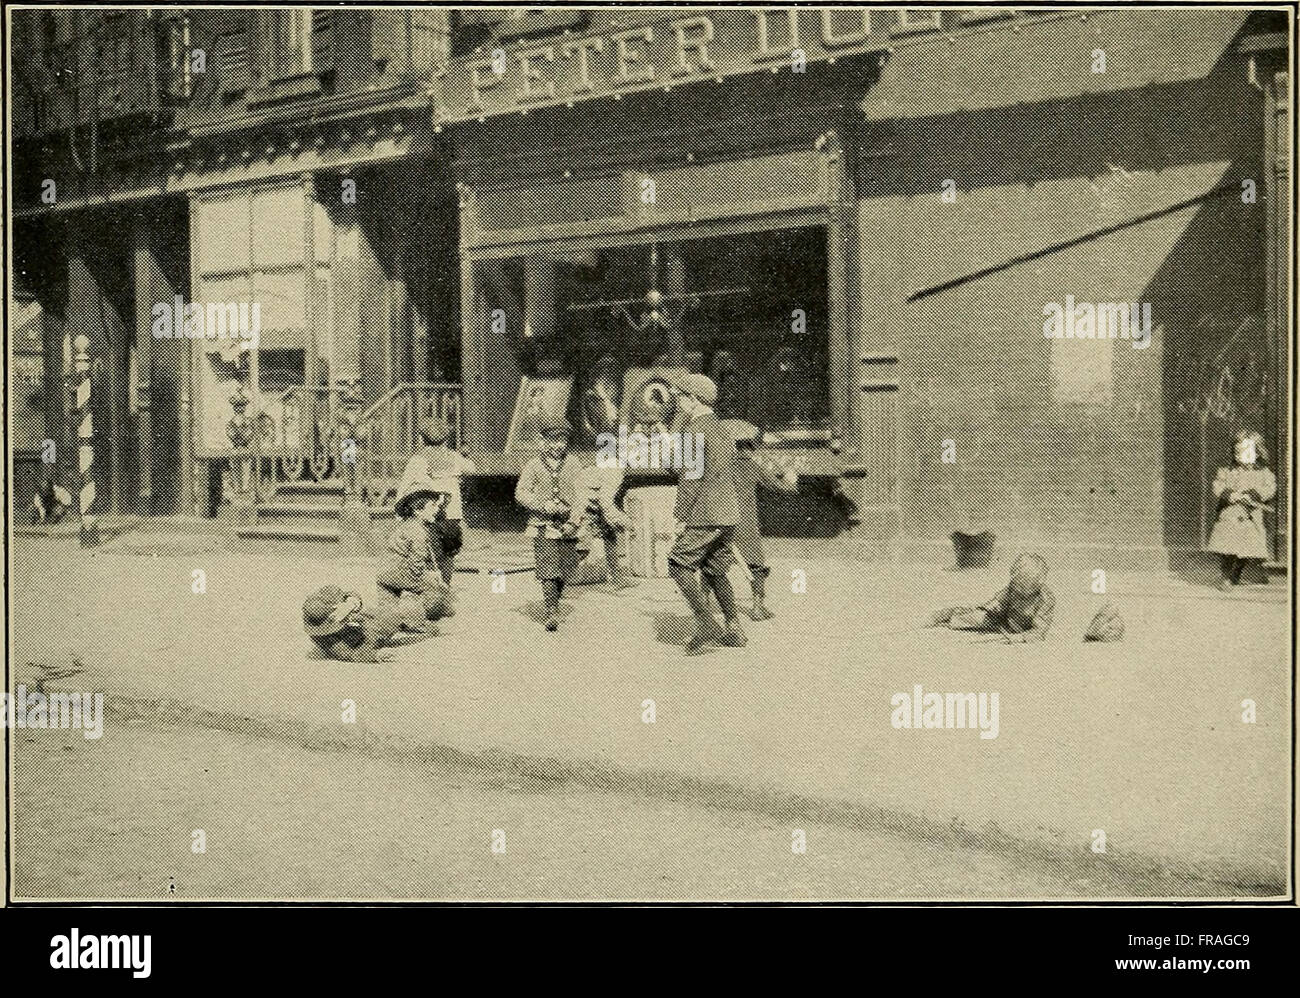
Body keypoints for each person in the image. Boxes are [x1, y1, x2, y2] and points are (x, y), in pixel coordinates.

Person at [664, 371, 746, 655]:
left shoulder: (694, 430)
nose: (676, 400)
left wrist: (680, 514)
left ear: (694, 400)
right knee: (714, 570)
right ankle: (734, 628)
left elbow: (691, 476)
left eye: (681, 395)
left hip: (705, 513)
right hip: (728, 513)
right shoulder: (722, 429)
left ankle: (706, 622)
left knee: (677, 563)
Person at [722, 419, 799, 620]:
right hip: (746, 525)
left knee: (714, 564)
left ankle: (704, 605)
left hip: (722, 523)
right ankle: (757, 607)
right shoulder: (751, 466)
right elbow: (781, 487)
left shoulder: (720, 466)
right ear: (749, 445)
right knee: (755, 564)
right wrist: (789, 478)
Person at [515, 414, 586, 632]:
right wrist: (542, 505)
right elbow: (521, 492)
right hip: (542, 524)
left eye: (563, 441)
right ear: (542, 441)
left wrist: (574, 520)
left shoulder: (573, 463)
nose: (558, 445)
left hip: (568, 525)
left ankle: (555, 597)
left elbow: (582, 493)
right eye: (553, 441)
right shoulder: (533, 465)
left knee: (567, 567)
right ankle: (551, 612)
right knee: (548, 568)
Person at [376, 470, 454, 633]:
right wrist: (432, 579)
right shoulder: (419, 532)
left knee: (388, 610)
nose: (436, 509)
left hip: (383, 572)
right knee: (424, 584)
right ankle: (417, 623)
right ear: (418, 510)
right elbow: (416, 567)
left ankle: (387, 624)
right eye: (432, 506)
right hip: (397, 572)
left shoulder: (406, 525)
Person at [401, 417, 476, 585]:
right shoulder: (454, 457)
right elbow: (471, 469)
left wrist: (400, 513)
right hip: (452, 514)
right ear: (446, 439)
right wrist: (466, 456)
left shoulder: (418, 459)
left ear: (422, 438)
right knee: (448, 553)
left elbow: (405, 485)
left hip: (429, 514)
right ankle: (445, 587)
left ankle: (431, 589)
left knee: (429, 552)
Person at [929, 553, 1055, 643]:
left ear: (1038, 583)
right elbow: (998, 601)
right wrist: (990, 606)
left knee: (975, 620)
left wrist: (1021, 638)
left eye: (1025, 586)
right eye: (1017, 585)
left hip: (1016, 629)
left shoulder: (1045, 599)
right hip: (1001, 619)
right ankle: (945, 616)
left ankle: (950, 616)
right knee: (975, 617)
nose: (1019, 590)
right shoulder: (1013, 588)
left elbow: (1039, 631)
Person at [1207, 429, 1276, 590]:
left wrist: (1253, 495)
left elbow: (1270, 488)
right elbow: (1218, 485)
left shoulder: (1263, 473)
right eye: (1236, 451)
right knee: (1228, 547)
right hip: (1229, 515)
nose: (1239, 455)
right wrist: (1232, 495)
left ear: (1257, 453)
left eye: (1244, 451)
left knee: (1246, 548)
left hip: (1250, 517)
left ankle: (1236, 573)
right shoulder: (1226, 471)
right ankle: (1225, 577)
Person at [572, 460, 635, 590]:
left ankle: (616, 578)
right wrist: (627, 523)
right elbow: (606, 505)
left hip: (593, 503)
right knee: (583, 546)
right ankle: (556, 578)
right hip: (585, 505)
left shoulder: (613, 467)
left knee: (610, 535)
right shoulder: (615, 471)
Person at [303, 586, 404, 663]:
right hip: (360, 643)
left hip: (358, 621)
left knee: (388, 612)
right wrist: (376, 655)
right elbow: (350, 654)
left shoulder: (327, 595)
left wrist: (351, 602)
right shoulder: (323, 637)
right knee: (394, 619)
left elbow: (350, 593)